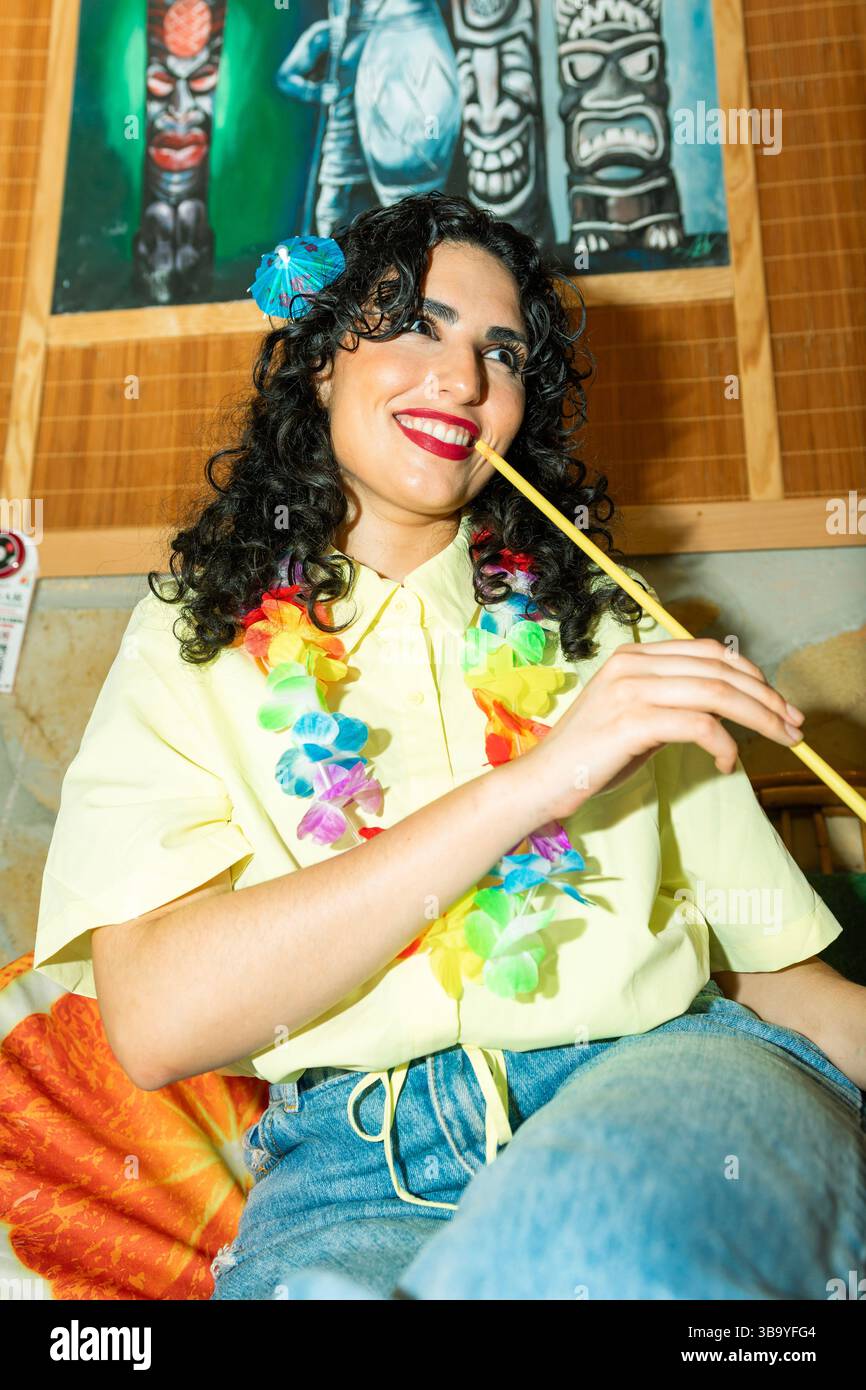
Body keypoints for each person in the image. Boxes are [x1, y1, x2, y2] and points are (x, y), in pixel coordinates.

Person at [33, 192, 865, 1301]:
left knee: (585, 1257)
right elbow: (153, 1025)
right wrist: (536, 781)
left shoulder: (611, 635)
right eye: (418, 323)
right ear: (322, 358)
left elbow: (781, 985)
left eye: (501, 352)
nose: (464, 379)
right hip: (347, 1173)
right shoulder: (189, 645)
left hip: (657, 1085)